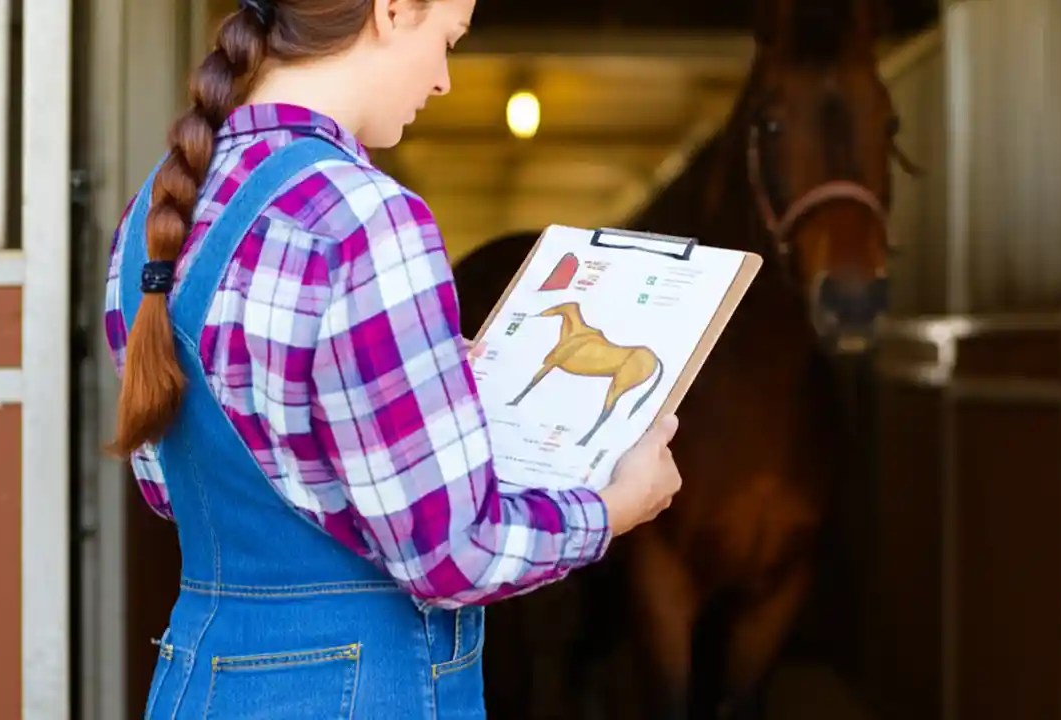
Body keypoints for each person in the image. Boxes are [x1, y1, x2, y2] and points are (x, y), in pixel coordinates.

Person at [102, 0, 683, 717]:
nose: (442, 80)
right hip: (360, 689)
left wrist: (415, 384)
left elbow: (167, 486)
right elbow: (451, 555)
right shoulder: (368, 218)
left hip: (196, 678)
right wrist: (613, 509)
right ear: (394, 10)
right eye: (447, 40)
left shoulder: (154, 212)